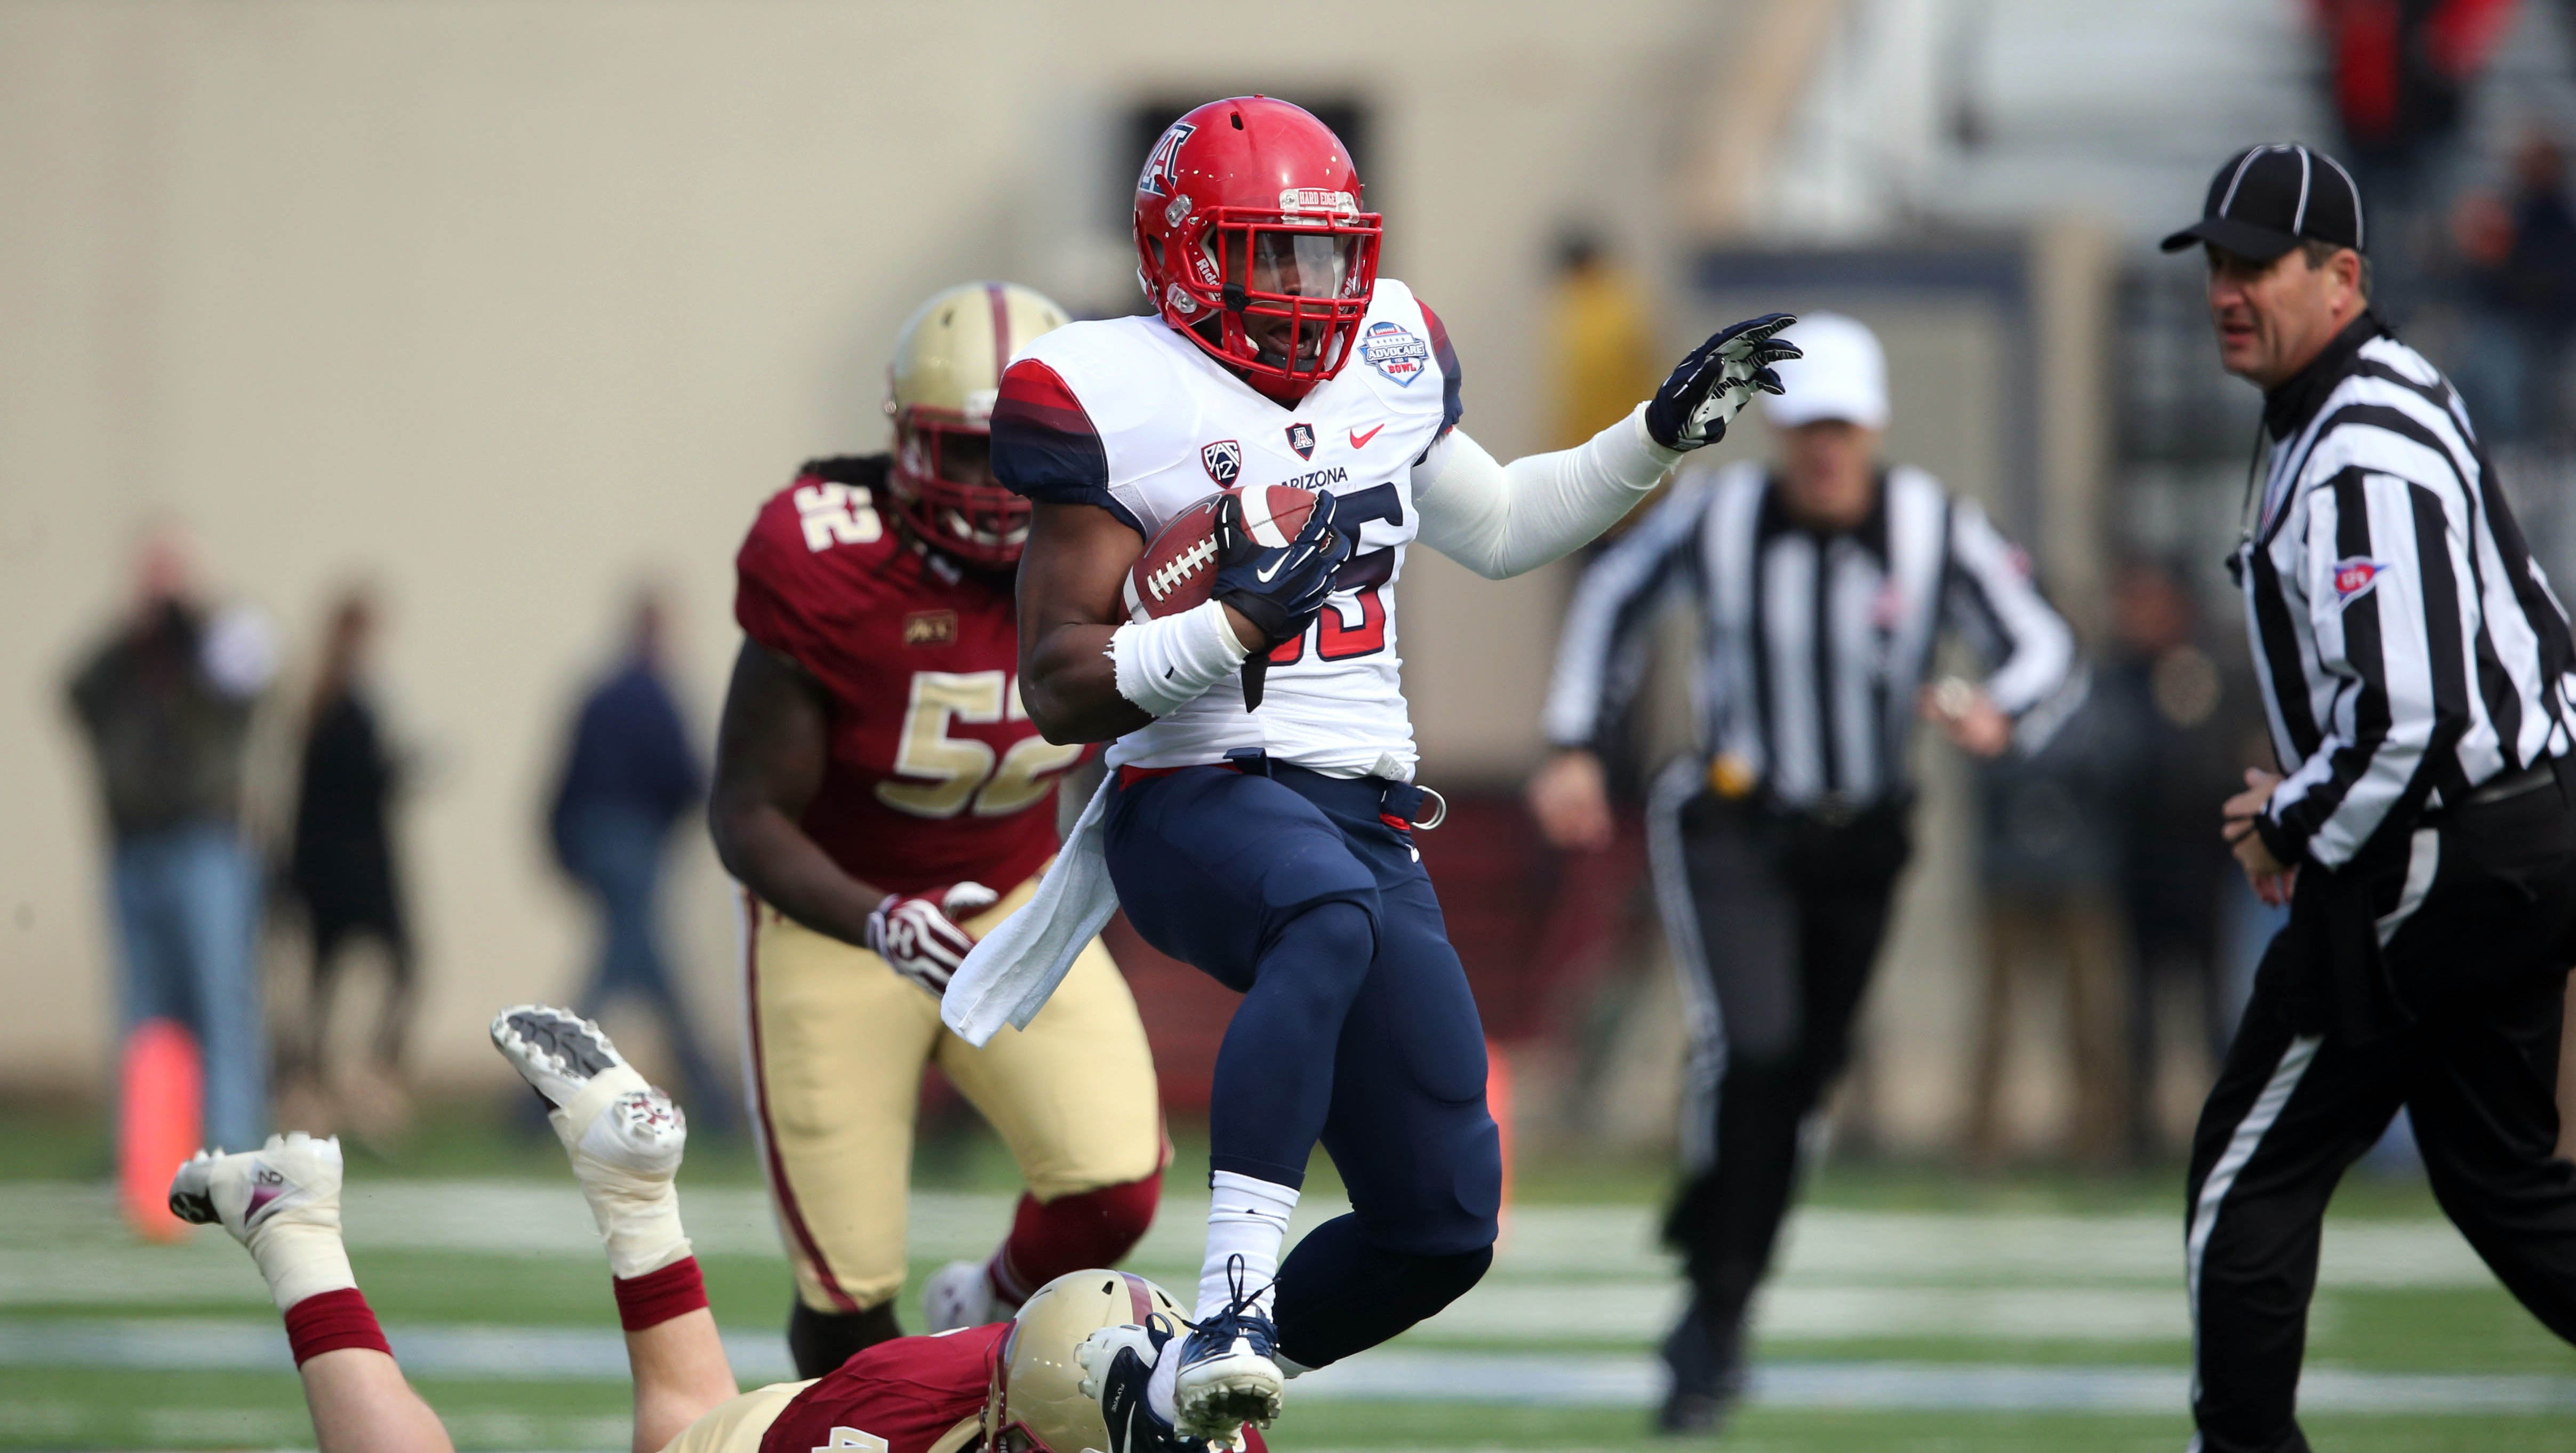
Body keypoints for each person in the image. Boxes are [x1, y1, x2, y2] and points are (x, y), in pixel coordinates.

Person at [939, 95, 1801, 1443]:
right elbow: (1060, 680)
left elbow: (1508, 523)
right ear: (1183, 256)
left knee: (1442, 1225)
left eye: (1327, 255)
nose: (1310, 289)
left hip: (1362, 814)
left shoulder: (1387, 353)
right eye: (1271, 257)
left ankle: (1156, 1397)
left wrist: (1655, 435)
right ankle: (1227, 1301)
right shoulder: (1110, 388)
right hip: (1198, 793)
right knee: (1319, 913)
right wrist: (1225, 628)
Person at [1528, 313, 2075, 1432]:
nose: (1824, 452)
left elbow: (2043, 644)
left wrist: (1998, 710)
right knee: (1759, 1044)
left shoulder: (1932, 526)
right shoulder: (1719, 518)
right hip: (1736, 819)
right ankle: (1712, 1306)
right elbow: (1612, 595)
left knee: (1801, 1075)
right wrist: (1576, 740)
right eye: (1805, 430)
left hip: (1864, 840)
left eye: (1841, 429)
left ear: (1871, 429)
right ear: (1778, 434)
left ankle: (1717, 1264)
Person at [2162, 141, 2576, 1453]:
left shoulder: (2355, 448)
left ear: (2342, 276)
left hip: (2448, 850)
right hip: (2518, 825)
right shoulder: (2372, 395)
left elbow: (2412, 715)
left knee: (2247, 1168)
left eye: (2259, 266)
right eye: (2217, 264)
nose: (2229, 292)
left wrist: (2290, 820)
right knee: (2502, 1180)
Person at [708, 282, 1164, 1379]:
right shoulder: (827, 560)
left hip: (1014, 905)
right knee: (849, 1293)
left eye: (1022, 455)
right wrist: (878, 921)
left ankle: (982, 1308)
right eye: (968, 456)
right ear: (905, 446)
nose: (1000, 491)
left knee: (1114, 1186)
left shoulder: (1134, 541)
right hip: (837, 920)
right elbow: (746, 811)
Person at [166, 1004, 1240, 1453]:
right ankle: (292, 1227)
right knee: (689, 1433)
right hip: (823, 1432)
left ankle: (633, 1199)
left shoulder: (1214, 1408)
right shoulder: (885, 1425)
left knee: (688, 1419)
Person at [66, 531, 278, 1160]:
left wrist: (194, 623)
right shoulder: (123, 657)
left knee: (221, 993)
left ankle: (232, 1144)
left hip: (208, 844)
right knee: (143, 1004)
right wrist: (131, 634)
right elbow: (73, 695)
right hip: (134, 846)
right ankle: (149, 1150)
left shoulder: (221, 638)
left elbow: (251, 676)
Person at [548, 591, 731, 1129]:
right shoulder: (654, 698)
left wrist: (565, 850)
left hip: (599, 843)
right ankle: (546, 1089)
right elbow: (684, 776)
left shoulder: (599, 695)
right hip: (635, 846)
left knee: (641, 969)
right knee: (630, 972)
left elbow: (565, 782)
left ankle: (713, 1101)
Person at [284, 587, 416, 1130]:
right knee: (393, 968)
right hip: (351, 869)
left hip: (331, 869)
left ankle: (330, 1081)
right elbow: (351, 785)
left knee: (330, 980)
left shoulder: (331, 702)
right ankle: (347, 1082)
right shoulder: (339, 707)